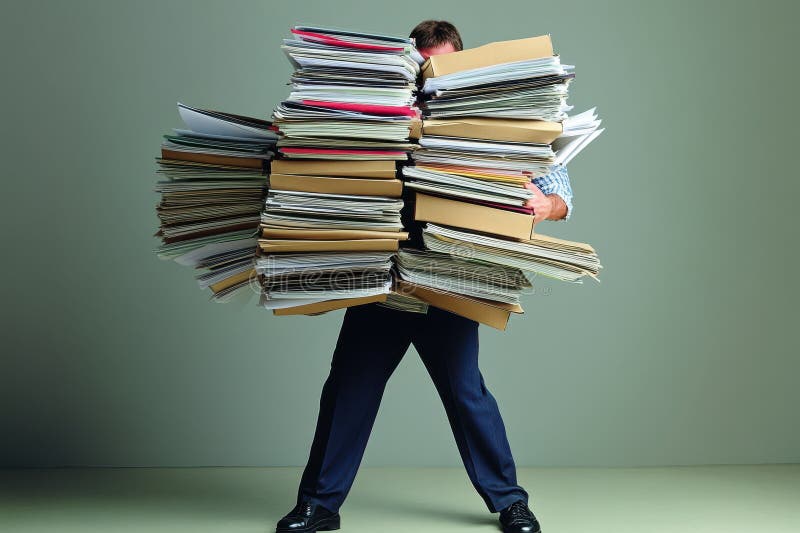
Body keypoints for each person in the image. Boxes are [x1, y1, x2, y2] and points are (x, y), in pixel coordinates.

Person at [276, 20, 574, 533]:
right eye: (423, 70)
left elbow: (558, 192)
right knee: (349, 387)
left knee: (466, 392)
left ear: (463, 65)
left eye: (443, 68)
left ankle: (510, 503)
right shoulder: (380, 113)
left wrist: (545, 204)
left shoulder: (495, 121)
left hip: (451, 278)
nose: (431, 80)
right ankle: (319, 506)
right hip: (386, 277)